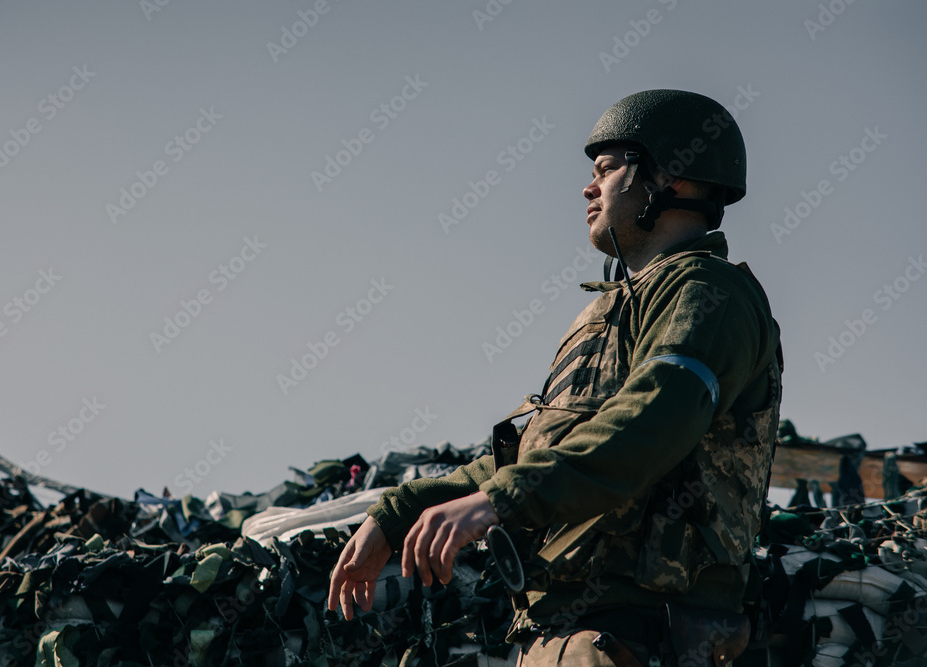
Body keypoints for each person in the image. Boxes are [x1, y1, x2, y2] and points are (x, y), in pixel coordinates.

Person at [329, 89, 783, 666]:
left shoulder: (710, 294)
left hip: (648, 629)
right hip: (558, 630)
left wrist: (500, 501)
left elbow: (655, 417)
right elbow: (531, 454)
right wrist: (397, 512)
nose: (589, 188)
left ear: (674, 178)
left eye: (608, 169)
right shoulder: (608, 311)